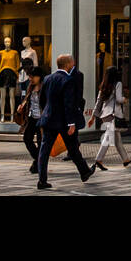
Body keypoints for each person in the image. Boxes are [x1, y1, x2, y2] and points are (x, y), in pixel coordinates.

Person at [35, 54, 96, 189]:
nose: (73, 64)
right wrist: (71, 123)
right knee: (73, 148)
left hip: (49, 119)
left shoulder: (47, 79)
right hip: (63, 122)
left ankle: (42, 180)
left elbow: (42, 100)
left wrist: (45, 113)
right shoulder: (68, 80)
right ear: (68, 64)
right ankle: (84, 172)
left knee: (44, 151)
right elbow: (69, 104)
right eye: (72, 62)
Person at [91, 66, 131, 170]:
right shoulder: (117, 84)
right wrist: (125, 99)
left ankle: (126, 159)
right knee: (108, 137)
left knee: (117, 139)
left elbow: (98, 102)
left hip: (105, 115)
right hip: (113, 115)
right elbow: (119, 99)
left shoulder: (103, 85)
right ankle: (98, 160)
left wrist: (93, 116)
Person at [22, 69, 46, 173]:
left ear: (39, 76)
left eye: (32, 77)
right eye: (30, 77)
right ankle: (38, 160)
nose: (30, 79)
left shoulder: (45, 88)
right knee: (27, 138)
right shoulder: (30, 87)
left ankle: (38, 164)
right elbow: (28, 101)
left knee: (41, 142)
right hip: (31, 117)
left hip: (42, 119)